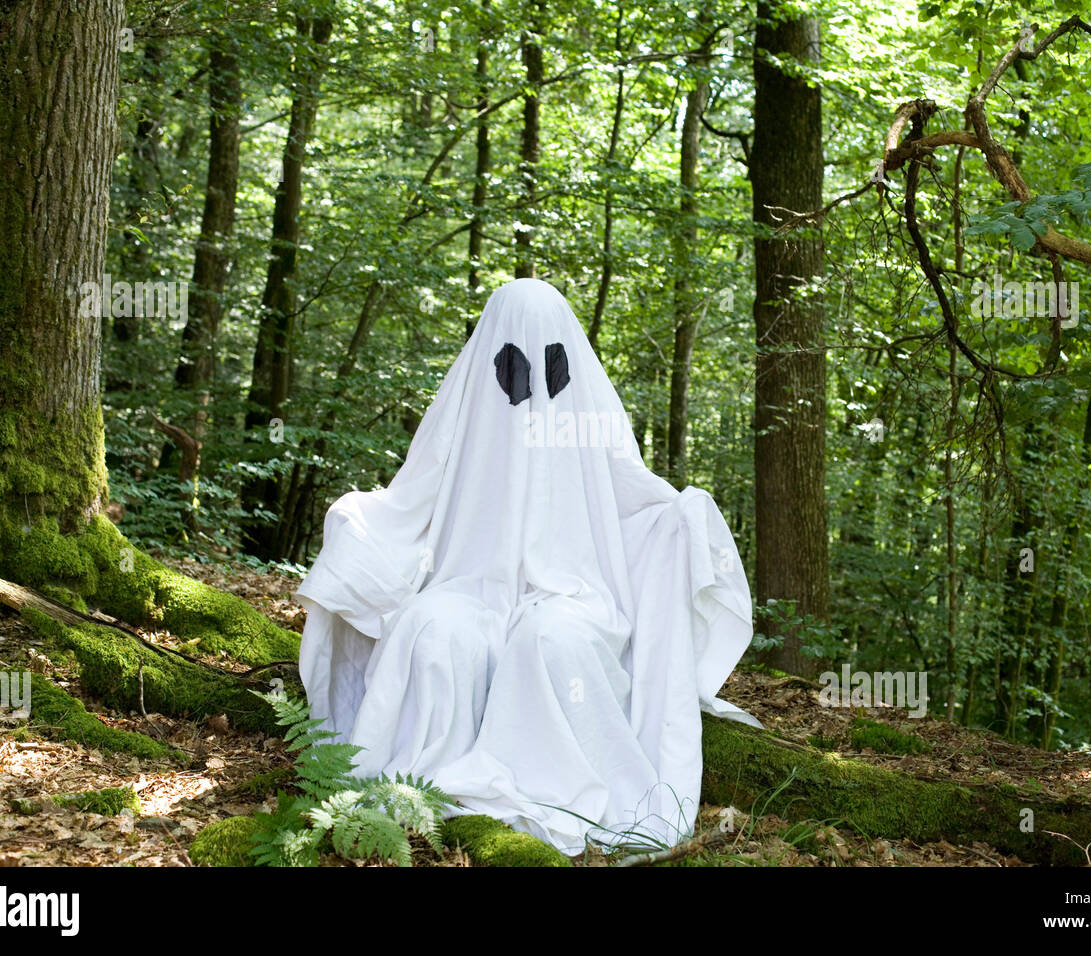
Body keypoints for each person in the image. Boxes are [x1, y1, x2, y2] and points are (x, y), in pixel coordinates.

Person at [295, 277, 759, 855]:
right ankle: (418, 791)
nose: (532, 381)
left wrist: (680, 518)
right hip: (467, 584)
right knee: (433, 631)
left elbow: (629, 490)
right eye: (514, 360)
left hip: (573, 593)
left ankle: (556, 791)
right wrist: (359, 523)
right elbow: (414, 491)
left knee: (551, 639)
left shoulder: (588, 416)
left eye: (549, 359)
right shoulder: (465, 406)